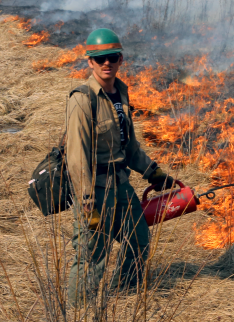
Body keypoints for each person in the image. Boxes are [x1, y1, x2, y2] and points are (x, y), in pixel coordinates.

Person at [64, 28, 176, 305]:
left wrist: (153, 172)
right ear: (90, 61)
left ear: (120, 59)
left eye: (112, 57)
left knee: (138, 242)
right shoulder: (82, 99)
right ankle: (80, 313)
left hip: (122, 188)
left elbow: (129, 146)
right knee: (92, 256)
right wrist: (86, 200)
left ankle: (123, 297)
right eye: (100, 58)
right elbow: (76, 156)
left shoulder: (121, 94)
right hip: (96, 193)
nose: (106, 63)